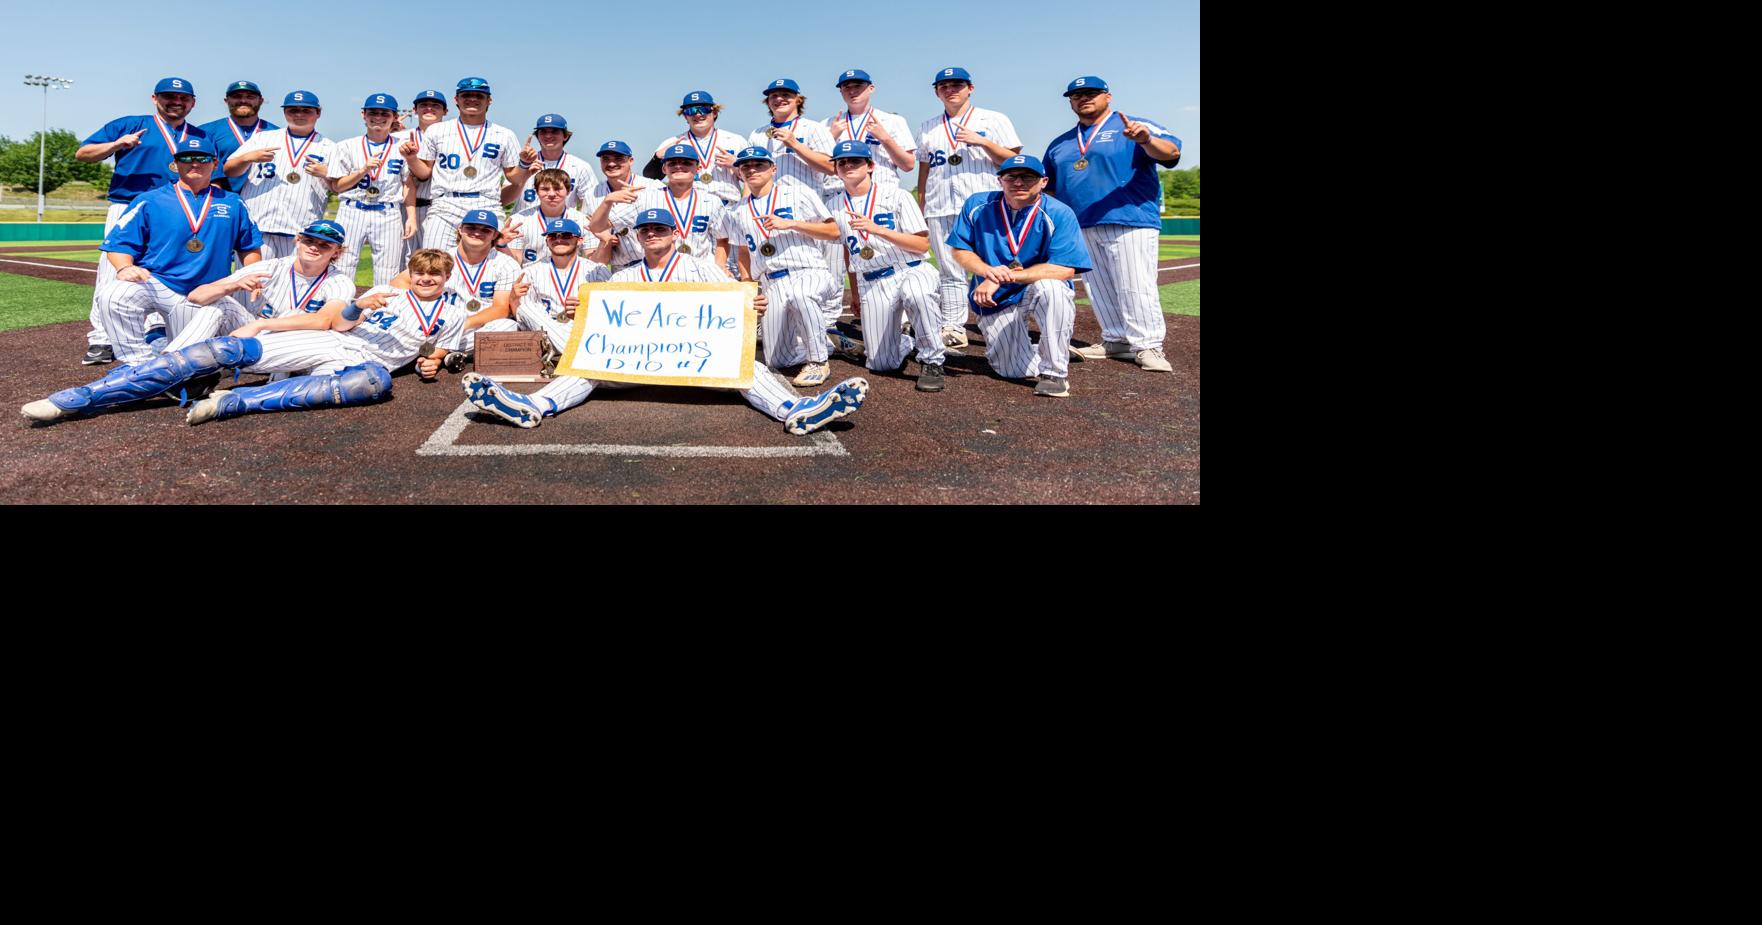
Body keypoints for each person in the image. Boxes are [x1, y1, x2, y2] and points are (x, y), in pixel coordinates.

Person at [462, 208, 868, 437]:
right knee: (584, 370)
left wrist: (751, 304)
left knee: (749, 368)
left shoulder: (699, 267)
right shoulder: (622, 278)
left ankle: (796, 410)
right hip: (632, 366)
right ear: (638, 237)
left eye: (659, 228)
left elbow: (733, 302)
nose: (652, 234)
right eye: (646, 230)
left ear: (674, 233)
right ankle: (530, 406)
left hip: (692, 362)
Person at [23, 249, 473, 426]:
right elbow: (336, 323)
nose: (427, 279)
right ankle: (80, 398)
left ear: (446, 276)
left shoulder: (454, 311)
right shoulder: (383, 292)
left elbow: (437, 352)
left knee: (375, 385)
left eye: (435, 274)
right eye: (420, 272)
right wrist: (358, 306)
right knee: (225, 349)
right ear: (410, 273)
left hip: (368, 363)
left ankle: (230, 403)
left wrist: (431, 364)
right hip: (335, 343)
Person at [1042, 75, 1183, 373]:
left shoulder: (1132, 126)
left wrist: (1145, 140)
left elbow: (1171, 153)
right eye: (1076, 94)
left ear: (1108, 96)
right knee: (1099, 286)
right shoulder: (1061, 144)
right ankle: (1116, 339)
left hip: (1129, 217)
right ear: (1070, 102)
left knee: (1135, 283)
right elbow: (1050, 188)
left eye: (1092, 92)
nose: (1084, 98)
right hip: (1081, 223)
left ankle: (1148, 345)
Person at [88, 136, 264, 368]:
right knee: (114, 294)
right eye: (186, 158)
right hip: (158, 283)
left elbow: (249, 247)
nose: (194, 163)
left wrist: (252, 274)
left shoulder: (233, 203)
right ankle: (138, 365)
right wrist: (125, 267)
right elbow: (118, 244)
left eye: (202, 158)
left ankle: (166, 355)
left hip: (204, 294)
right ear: (175, 164)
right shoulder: (149, 200)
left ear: (214, 163)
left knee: (188, 359)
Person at [73, 76, 211, 365]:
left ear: (192, 102)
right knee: (112, 272)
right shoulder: (129, 124)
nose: (176, 102)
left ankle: (155, 330)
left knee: (165, 270)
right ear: (154, 99)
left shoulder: (198, 135)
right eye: (168, 97)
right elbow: (83, 153)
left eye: (183, 98)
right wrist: (116, 144)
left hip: (175, 210)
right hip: (128, 205)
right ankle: (101, 338)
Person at [945, 155, 1092, 398]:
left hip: (1031, 287)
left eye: (1028, 177)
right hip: (996, 299)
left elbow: (1064, 269)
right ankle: (1045, 348)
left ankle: (1055, 372)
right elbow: (960, 249)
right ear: (1000, 180)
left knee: (1053, 288)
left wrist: (1002, 278)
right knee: (1011, 370)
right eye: (1011, 176)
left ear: (1043, 181)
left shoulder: (1059, 213)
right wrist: (986, 272)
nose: (1019, 182)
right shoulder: (977, 205)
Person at [713, 147, 843, 387]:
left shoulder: (798, 193)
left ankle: (818, 360)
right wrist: (748, 286)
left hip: (808, 270)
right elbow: (743, 251)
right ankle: (822, 341)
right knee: (777, 360)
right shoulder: (737, 211)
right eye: (745, 166)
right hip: (772, 281)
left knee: (800, 295)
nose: (752, 169)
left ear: (773, 168)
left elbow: (833, 231)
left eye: (759, 165)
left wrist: (792, 223)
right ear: (739, 173)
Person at [914, 67, 1021, 350]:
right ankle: (953, 325)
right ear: (937, 91)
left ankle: (999, 320)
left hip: (984, 205)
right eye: (944, 86)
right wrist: (921, 203)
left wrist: (983, 141)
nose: (951, 90)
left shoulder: (994, 119)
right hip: (940, 206)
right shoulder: (928, 127)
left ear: (970, 88)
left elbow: (1014, 160)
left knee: (992, 266)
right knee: (950, 269)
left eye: (957, 85)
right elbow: (924, 169)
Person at [824, 141, 945, 391]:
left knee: (917, 293)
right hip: (872, 280)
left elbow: (922, 245)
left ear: (870, 165)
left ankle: (932, 360)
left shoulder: (896, 195)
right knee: (881, 364)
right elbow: (849, 250)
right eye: (842, 162)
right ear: (835, 169)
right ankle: (905, 342)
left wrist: (878, 230)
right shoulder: (834, 205)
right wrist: (855, 293)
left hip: (909, 268)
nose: (848, 165)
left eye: (855, 160)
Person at [409, 77, 533, 252]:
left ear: (489, 100)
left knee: (488, 265)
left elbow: (515, 178)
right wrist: (411, 158)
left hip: (486, 202)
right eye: (466, 94)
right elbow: (423, 173)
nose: (472, 99)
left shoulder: (505, 134)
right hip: (445, 204)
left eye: (479, 95)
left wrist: (524, 163)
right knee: (434, 262)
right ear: (456, 99)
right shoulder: (437, 130)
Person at [387, 209, 522, 362]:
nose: (477, 233)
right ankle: (447, 353)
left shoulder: (506, 264)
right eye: (471, 227)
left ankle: (437, 351)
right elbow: (398, 282)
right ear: (460, 229)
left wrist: (462, 325)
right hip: (438, 322)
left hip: (476, 326)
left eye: (485, 230)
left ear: (495, 235)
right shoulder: (442, 258)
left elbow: (501, 309)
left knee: (507, 326)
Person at [187, 220, 357, 333]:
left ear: (337, 253)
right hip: (253, 334)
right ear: (298, 241)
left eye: (325, 245)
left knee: (294, 313)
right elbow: (196, 296)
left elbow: (324, 320)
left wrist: (261, 324)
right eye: (309, 241)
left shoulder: (339, 281)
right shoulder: (272, 267)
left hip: (296, 346)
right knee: (219, 303)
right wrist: (234, 285)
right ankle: (174, 363)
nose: (314, 247)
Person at [224, 90, 335, 260]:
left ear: (318, 112)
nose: (299, 114)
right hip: (258, 225)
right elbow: (229, 170)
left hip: (301, 229)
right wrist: (248, 158)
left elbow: (339, 186)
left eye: (306, 110)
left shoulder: (329, 147)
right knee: (252, 282)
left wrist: (327, 174)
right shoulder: (263, 138)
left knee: (293, 283)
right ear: (284, 112)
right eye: (293, 110)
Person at [327, 94, 415, 287]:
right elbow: (336, 186)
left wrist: (411, 217)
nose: (378, 117)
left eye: (385, 113)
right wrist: (363, 171)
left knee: (388, 269)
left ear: (394, 117)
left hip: (388, 211)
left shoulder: (402, 147)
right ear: (363, 115)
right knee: (343, 264)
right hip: (352, 209)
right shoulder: (345, 146)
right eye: (373, 112)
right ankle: (338, 309)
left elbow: (408, 184)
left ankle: (381, 313)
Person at [644, 91, 747, 211]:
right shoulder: (673, 142)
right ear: (685, 116)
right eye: (690, 111)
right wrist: (657, 158)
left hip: (730, 206)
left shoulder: (736, 140)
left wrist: (737, 165)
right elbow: (650, 177)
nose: (697, 115)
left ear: (714, 112)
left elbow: (754, 178)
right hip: (691, 208)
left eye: (703, 109)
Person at [634, 145, 731, 267]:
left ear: (698, 168)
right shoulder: (645, 198)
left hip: (701, 271)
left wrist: (720, 267)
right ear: (664, 168)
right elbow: (605, 224)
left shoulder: (712, 201)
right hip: (660, 271)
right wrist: (608, 202)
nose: (679, 166)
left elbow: (722, 239)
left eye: (686, 162)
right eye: (672, 163)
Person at [584, 140, 662, 270]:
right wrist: (605, 241)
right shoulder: (591, 195)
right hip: (619, 270)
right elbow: (595, 260)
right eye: (606, 159)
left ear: (631, 160)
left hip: (654, 266)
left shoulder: (652, 187)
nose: (611, 163)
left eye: (619, 159)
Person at [502, 113, 596, 211]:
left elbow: (591, 205)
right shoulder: (522, 163)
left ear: (565, 136)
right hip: (525, 223)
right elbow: (502, 200)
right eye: (543, 131)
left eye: (554, 131)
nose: (548, 135)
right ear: (537, 136)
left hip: (563, 224)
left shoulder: (581, 166)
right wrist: (523, 173)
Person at [199, 81, 277, 194]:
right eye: (236, 96)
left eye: (250, 97)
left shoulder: (276, 132)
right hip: (223, 199)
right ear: (226, 101)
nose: (243, 101)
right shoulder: (206, 131)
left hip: (263, 202)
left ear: (261, 100)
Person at [502, 168, 592, 266]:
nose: (552, 194)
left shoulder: (583, 221)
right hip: (530, 277)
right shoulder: (518, 220)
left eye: (557, 189)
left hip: (572, 278)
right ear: (536, 191)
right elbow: (514, 263)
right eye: (545, 189)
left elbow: (595, 262)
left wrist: (603, 240)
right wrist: (501, 244)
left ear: (568, 190)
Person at [398, 89, 449, 255]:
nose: (429, 108)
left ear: (445, 111)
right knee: (406, 261)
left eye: (435, 105)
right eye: (424, 105)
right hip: (405, 207)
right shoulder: (400, 138)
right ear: (415, 110)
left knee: (438, 259)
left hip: (440, 207)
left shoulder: (453, 138)